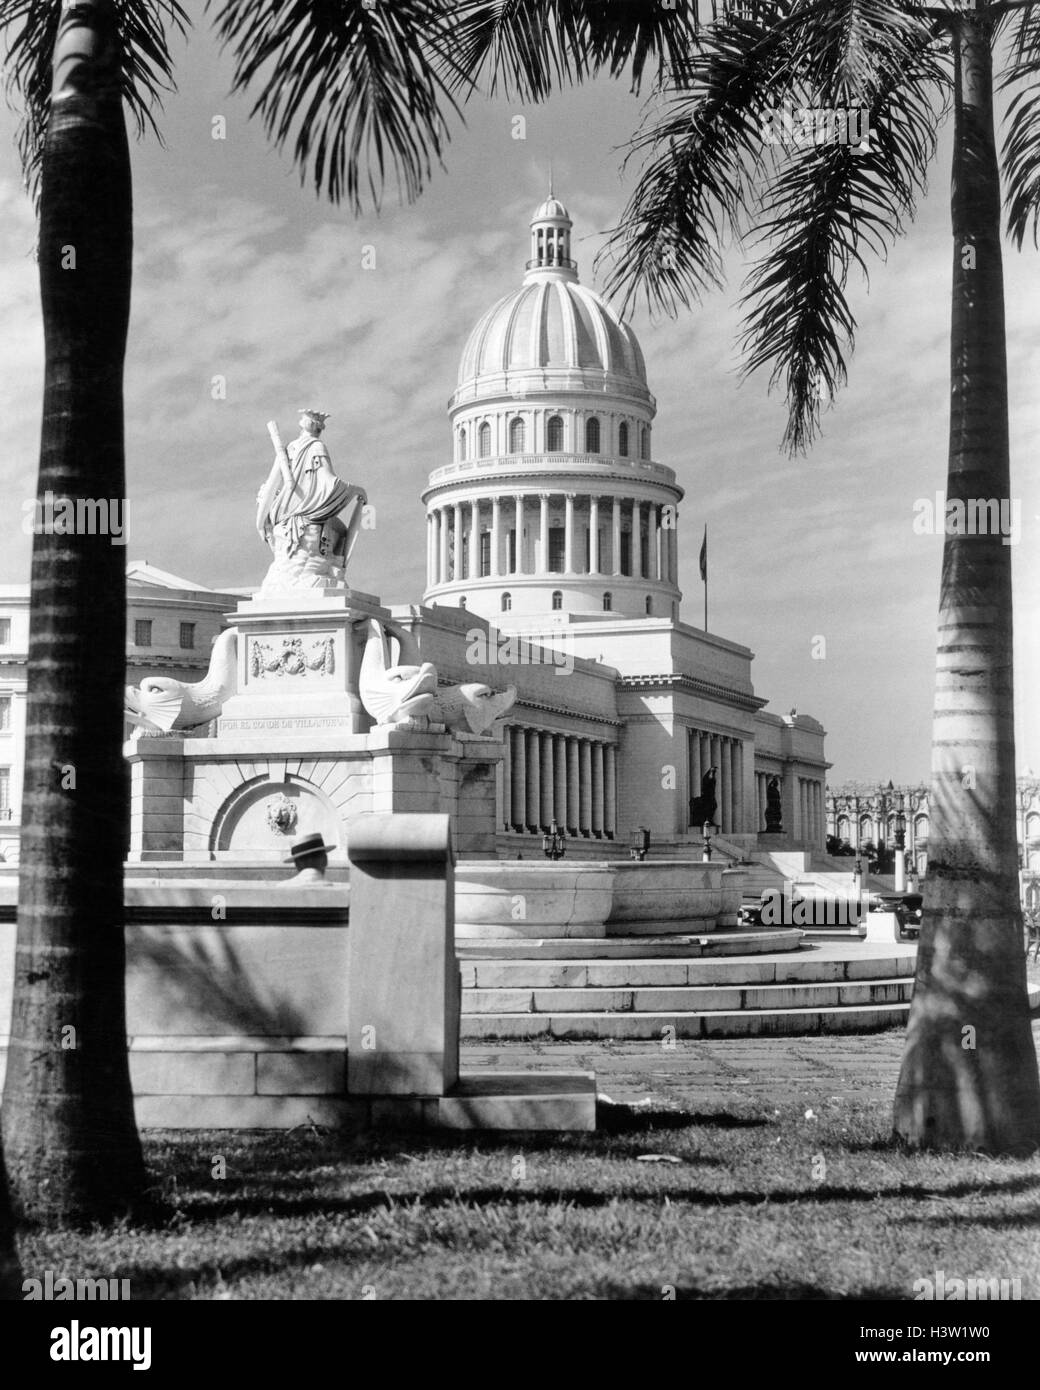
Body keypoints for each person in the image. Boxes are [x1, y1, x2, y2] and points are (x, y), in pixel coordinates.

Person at [256, 409, 366, 588]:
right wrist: (356, 490)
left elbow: (270, 487)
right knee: (342, 534)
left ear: (302, 426)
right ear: (319, 429)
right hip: (311, 517)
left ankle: (333, 570)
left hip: (285, 520)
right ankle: (336, 569)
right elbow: (329, 482)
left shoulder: (289, 448)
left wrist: (261, 520)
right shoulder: (317, 447)